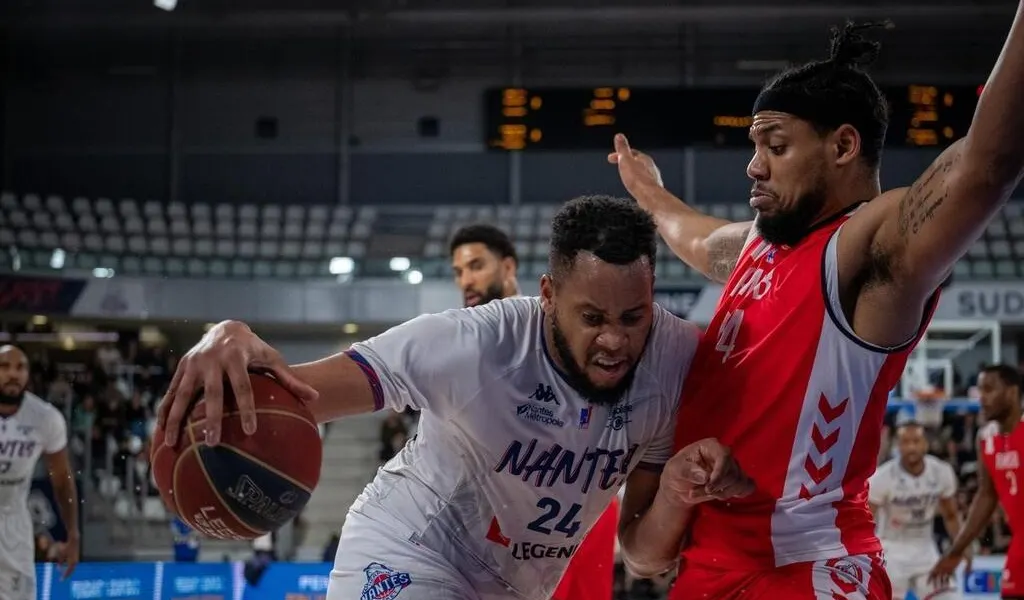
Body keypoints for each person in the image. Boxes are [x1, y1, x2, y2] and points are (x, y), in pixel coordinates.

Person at [610, 12, 1024, 599]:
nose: (754, 165)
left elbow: (986, 168)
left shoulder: (868, 247)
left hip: (809, 570)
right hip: (705, 571)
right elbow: (691, 233)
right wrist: (645, 186)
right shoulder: (756, 247)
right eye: (756, 146)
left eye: (775, 145)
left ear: (843, 145)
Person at [157, 195, 755, 600]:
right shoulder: (472, 344)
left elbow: (644, 555)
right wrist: (227, 334)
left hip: (517, 586)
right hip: (408, 549)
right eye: (592, 317)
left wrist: (678, 490)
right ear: (548, 294)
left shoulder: (676, 357)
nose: (615, 341)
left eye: (634, 316)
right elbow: (299, 396)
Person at [449, 223, 621, 600]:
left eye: (477, 266)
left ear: (508, 268)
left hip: (572, 506)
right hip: (498, 511)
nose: (467, 280)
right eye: (459, 272)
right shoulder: (463, 343)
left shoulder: (559, 330)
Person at [932, 365, 1023, 598]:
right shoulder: (986, 437)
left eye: (989, 389)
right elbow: (986, 496)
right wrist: (956, 550)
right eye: (979, 389)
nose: (981, 397)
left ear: (1012, 393)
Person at [0, 345, 80, 600]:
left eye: (20, 368)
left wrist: (73, 533)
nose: (13, 374)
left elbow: (62, 480)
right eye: (4, 367)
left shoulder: (46, 418)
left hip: (12, 521)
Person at [868, 421, 964, 600]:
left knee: (952, 597)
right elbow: (867, 520)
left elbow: (951, 516)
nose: (911, 447)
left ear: (926, 443)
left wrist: (962, 548)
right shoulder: (882, 477)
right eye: (905, 441)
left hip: (926, 549)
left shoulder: (941, 472)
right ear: (898, 445)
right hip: (891, 549)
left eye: (916, 441)